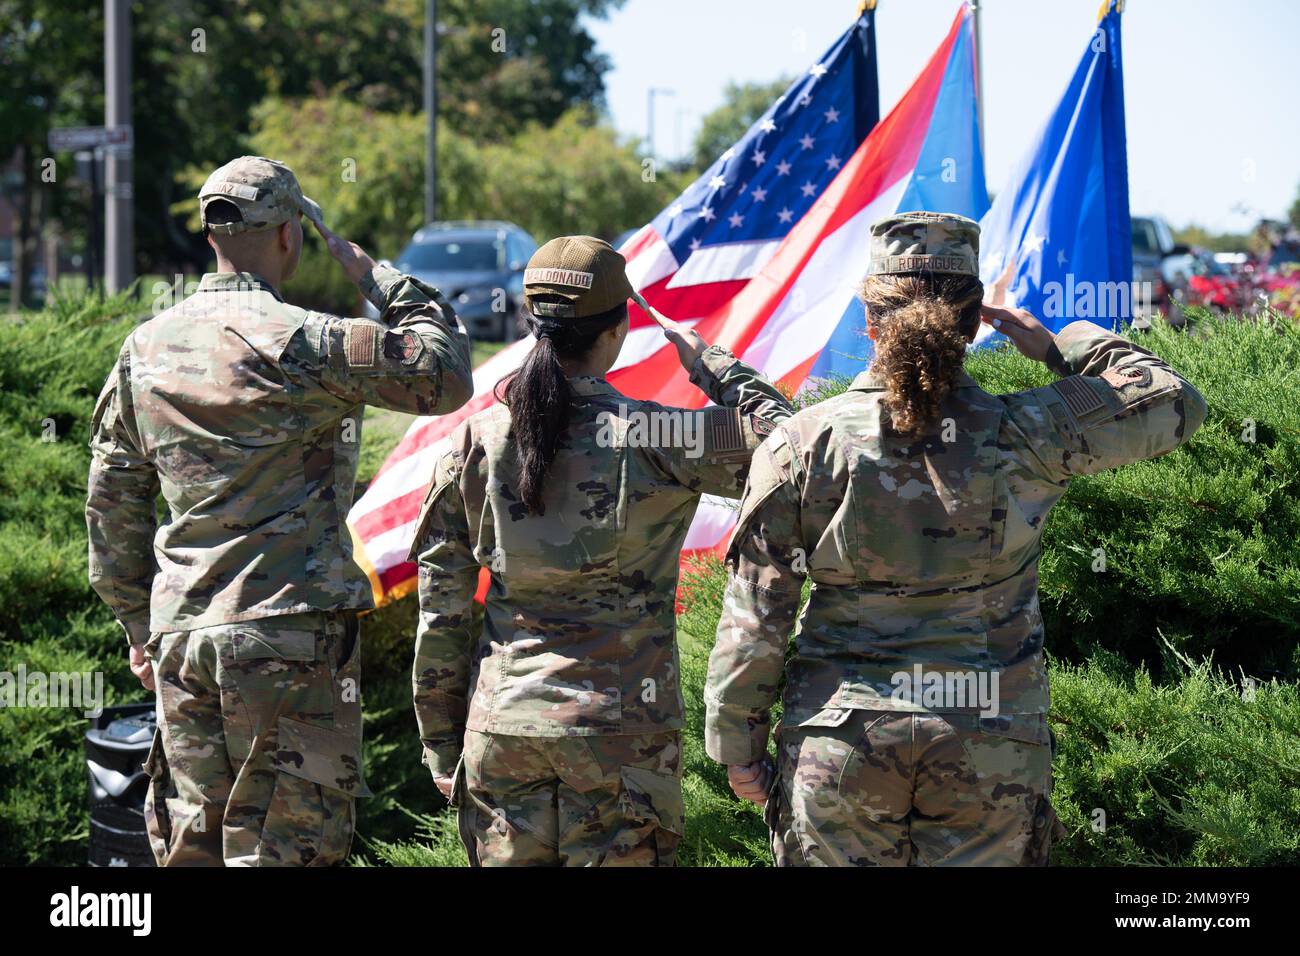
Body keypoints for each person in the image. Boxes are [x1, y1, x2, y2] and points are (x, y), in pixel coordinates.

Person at [703, 211, 1208, 866]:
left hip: (841, 743)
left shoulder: (802, 443)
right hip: (990, 747)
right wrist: (1061, 344)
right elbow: (1173, 399)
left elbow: (754, 618)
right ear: (973, 324)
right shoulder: (1031, 429)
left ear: (868, 320)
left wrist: (735, 748)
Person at [85, 155, 474, 866]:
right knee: (286, 853)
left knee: (192, 848)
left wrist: (140, 627)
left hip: (183, 638)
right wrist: (378, 277)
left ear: (211, 236)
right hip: (289, 637)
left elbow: (111, 510)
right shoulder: (309, 341)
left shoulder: (142, 350)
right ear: (291, 235)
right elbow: (444, 373)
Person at [410, 236, 793, 866]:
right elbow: (789, 445)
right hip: (622, 733)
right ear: (617, 331)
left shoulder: (474, 441)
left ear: (535, 328)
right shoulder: (658, 434)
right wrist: (711, 365)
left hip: (505, 726)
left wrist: (441, 743)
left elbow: (441, 611)